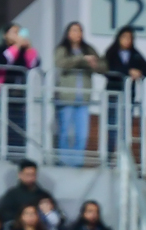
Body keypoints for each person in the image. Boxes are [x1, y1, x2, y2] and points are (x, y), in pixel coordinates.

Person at [55, 25, 103, 167]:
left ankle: (77, 162)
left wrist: (94, 64)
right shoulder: (62, 49)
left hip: (84, 98)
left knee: (82, 134)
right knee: (65, 131)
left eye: (80, 30)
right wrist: (82, 59)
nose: (78, 33)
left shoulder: (89, 49)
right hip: (67, 97)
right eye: (74, 30)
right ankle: (64, 161)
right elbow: (60, 63)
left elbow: (101, 66)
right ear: (68, 33)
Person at [0, 25, 41, 158]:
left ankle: (18, 155)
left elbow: (34, 64)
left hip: (21, 93)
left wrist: (30, 48)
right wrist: (17, 46)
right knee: (5, 125)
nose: (17, 35)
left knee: (19, 126)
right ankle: (3, 154)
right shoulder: (0, 49)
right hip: (4, 93)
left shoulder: (23, 50)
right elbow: (4, 61)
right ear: (5, 35)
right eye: (14, 32)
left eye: (19, 33)